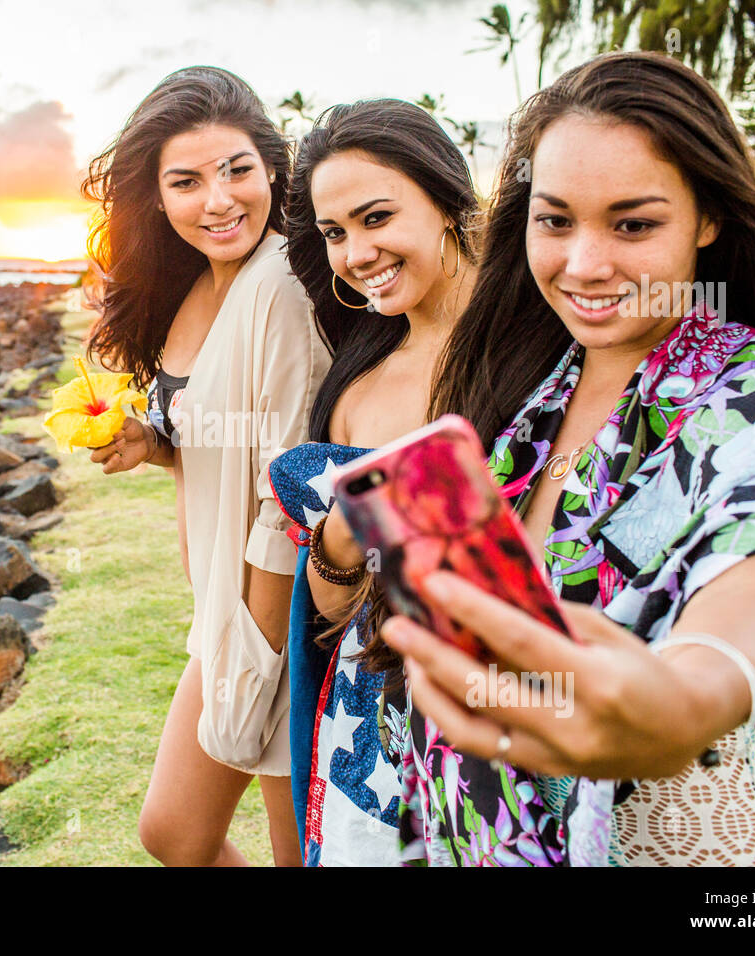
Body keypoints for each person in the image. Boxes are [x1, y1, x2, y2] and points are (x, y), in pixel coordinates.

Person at [379, 50, 755, 866]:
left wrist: (687, 694)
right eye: (556, 220)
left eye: (634, 224)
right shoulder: (525, 386)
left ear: (707, 219)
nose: (585, 264)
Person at [82, 65, 331, 866]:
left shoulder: (281, 286)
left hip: (283, 623)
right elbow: (217, 437)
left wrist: (256, 658)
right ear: (156, 197)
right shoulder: (197, 283)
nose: (218, 200)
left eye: (238, 171)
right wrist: (151, 442)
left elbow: (286, 493)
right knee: (174, 834)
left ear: (271, 171)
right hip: (223, 618)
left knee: (297, 855)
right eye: (186, 181)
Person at [267, 99, 479, 865]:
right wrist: (342, 533)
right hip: (374, 721)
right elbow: (332, 612)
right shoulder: (357, 386)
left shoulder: (541, 341)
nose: (356, 252)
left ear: (448, 201)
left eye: (376, 216)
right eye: (334, 233)